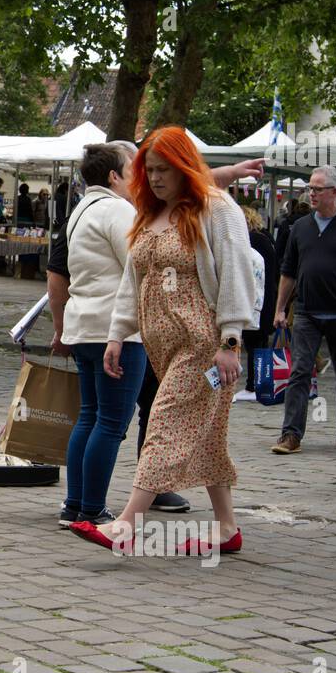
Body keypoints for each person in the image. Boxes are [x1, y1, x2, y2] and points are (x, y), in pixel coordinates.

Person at [69, 127, 257, 556]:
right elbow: (132, 283)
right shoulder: (148, 214)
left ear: (183, 167)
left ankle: (125, 525)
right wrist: (118, 333)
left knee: (164, 424)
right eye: (148, 170)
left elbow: (237, 275)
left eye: (163, 170)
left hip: (205, 345)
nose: (154, 178)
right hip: (162, 347)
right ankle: (227, 528)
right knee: (207, 435)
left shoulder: (215, 208)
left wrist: (230, 340)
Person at [49, 144, 149, 528]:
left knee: (89, 417)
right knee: (111, 422)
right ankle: (91, 507)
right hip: (116, 330)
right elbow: (137, 268)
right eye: (130, 170)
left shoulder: (78, 211)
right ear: (113, 176)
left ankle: (75, 503)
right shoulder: (118, 209)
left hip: (83, 326)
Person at [270, 166, 336, 453]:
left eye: (318, 189)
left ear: (335, 192)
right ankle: (291, 434)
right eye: (310, 188)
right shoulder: (301, 227)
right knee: (299, 371)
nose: (311, 193)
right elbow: (288, 271)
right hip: (307, 311)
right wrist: (280, 308)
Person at [234, 205, 279, 402]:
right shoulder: (266, 239)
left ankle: (252, 385)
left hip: (253, 300)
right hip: (268, 297)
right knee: (260, 344)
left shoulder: (248, 242)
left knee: (251, 343)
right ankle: (262, 383)